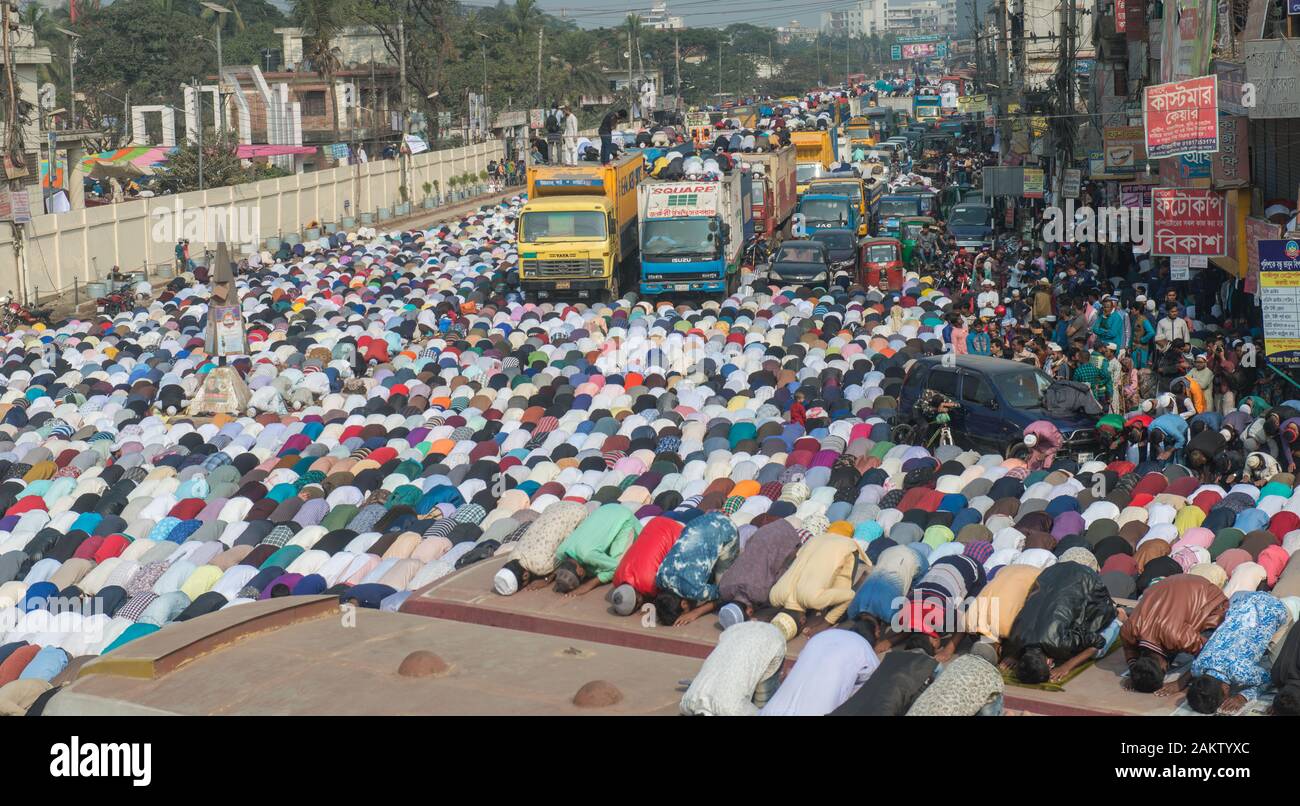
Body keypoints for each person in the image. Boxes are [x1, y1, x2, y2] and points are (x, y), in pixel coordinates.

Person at [1000, 559, 1118, 684]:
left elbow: (1098, 642)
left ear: (1049, 662)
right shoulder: (1014, 640)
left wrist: (1067, 666)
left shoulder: (1059, 643)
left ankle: (1119, 619)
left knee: (1096, 631)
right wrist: (1013, 655)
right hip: (1053, 571)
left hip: (1087, 579)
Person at [1172, 591, 1291, 714]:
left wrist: (1243, 696)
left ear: (1225, 688)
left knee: (1279, 663)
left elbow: (1271, 677)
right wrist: (1180, 682)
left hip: (1275, 607)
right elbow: (1194, 671)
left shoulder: (1240, 673)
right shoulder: (1198, 666)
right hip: (1244, 598)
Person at [1120, 574, 1228, 694]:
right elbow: (1129, 649)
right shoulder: (1128, 630)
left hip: (1212, 599)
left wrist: (1181, 682)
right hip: (1175, 584)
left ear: (1164, 667)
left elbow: (1209, 653)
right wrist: (1135, 672)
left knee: (1214, 643)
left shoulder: (1178, 637)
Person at [680, 620, 789, 716]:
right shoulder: (686, 703)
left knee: (763, 704)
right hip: (735, 631)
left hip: (771, 638)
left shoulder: (731, 710)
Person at [653, 512, 740, 626]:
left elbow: (723, 593)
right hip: (697, 523)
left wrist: (696, 612)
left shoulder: (694, 589)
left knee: (724, 585)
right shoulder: (659, 579)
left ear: (684, 604)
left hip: (726, 528)